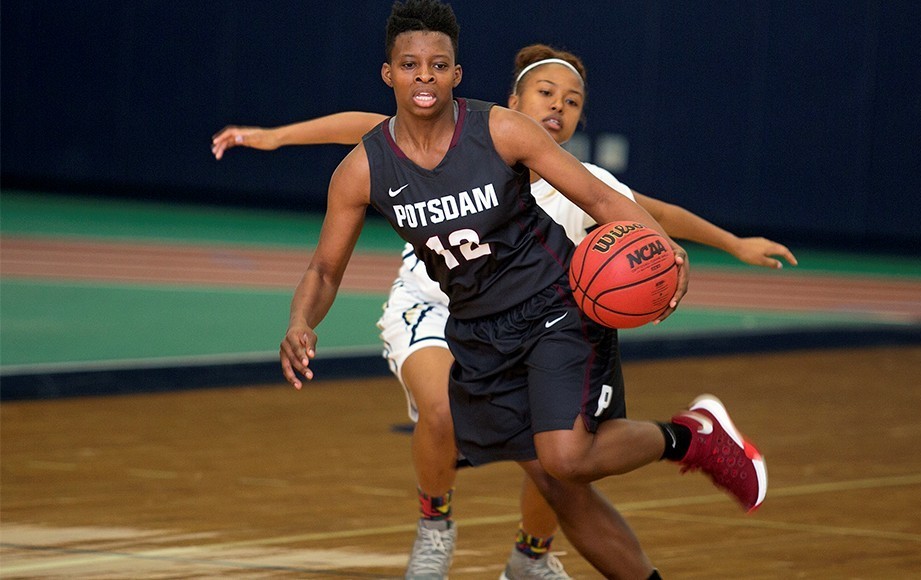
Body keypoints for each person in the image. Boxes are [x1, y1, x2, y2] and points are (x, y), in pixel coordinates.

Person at [214, 39, 796, 578]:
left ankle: (532, 556)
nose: (558, 106)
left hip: (530, 319)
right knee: (448, 414)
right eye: (545, 93)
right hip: (436, 305)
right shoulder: (463, 135)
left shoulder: (581, 180)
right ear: (512, 102)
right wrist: (276, 136)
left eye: (572, 102)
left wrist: (732, 244)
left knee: (561, 471)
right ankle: (435, 528)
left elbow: (655, 213)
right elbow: (358, 127)